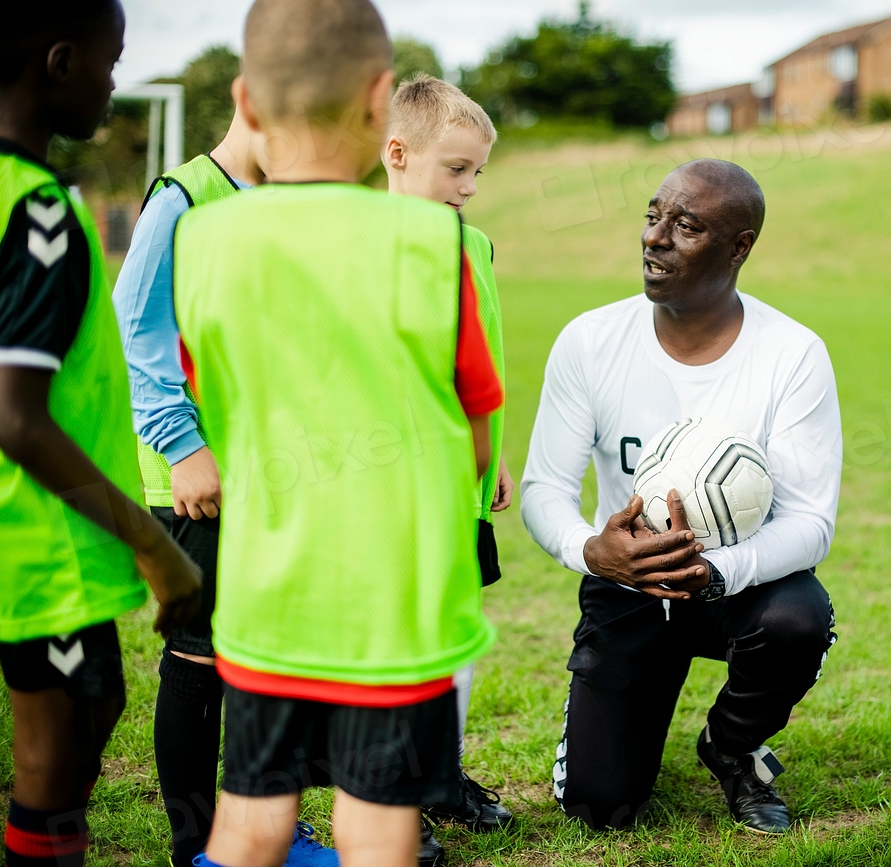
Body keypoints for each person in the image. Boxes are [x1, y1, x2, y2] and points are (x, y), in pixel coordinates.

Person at [172, 1, 501, 864]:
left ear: (245, 102)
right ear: (378, 99)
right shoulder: (435, 242)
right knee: (374, 821)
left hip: (265, 589)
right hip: (395, 599)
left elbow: (217, 396)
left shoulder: (202, 241)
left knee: (247, 816)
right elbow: (473, 432)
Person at [521, 159, 841, 835]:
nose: (655, 237)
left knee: (797, 618)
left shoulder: (792, 353)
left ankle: (732, 746)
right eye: (652, 216)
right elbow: (544, 488)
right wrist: (593, 550)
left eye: (686, 225)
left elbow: (811, 522)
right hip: (628, 583)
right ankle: (595, 733)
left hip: (739, 582)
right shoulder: (591, 340)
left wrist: (715, 570)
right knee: (598, 806)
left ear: (739, 246)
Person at [0, 3, 203, 865]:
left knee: (94, 705)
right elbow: (15, 415)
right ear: (58, 61)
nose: (115, 84)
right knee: (64, 737)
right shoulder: (39, 214)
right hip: (41, 545)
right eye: (109, 63)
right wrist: (153, 545)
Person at [113, 106, 338, 864]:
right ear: (254, 100)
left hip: (276, 475)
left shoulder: (282, 198)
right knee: (200, 655)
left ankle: (265, 832)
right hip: (198, 479)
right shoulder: (182, 196)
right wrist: (183, 447)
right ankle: (196, 844)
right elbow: (136, 327)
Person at [381, 73, 514, 865]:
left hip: (463, 480)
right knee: (404, 646)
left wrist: (492, 454)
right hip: (399, 493)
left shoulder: (474, 243)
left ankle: (440, 774)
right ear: (397, 153)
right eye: (454, 170)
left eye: (476, 174)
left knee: (454, 642)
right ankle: (395, 798)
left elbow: (485, 355)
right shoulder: (366, 247)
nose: (466, 188)